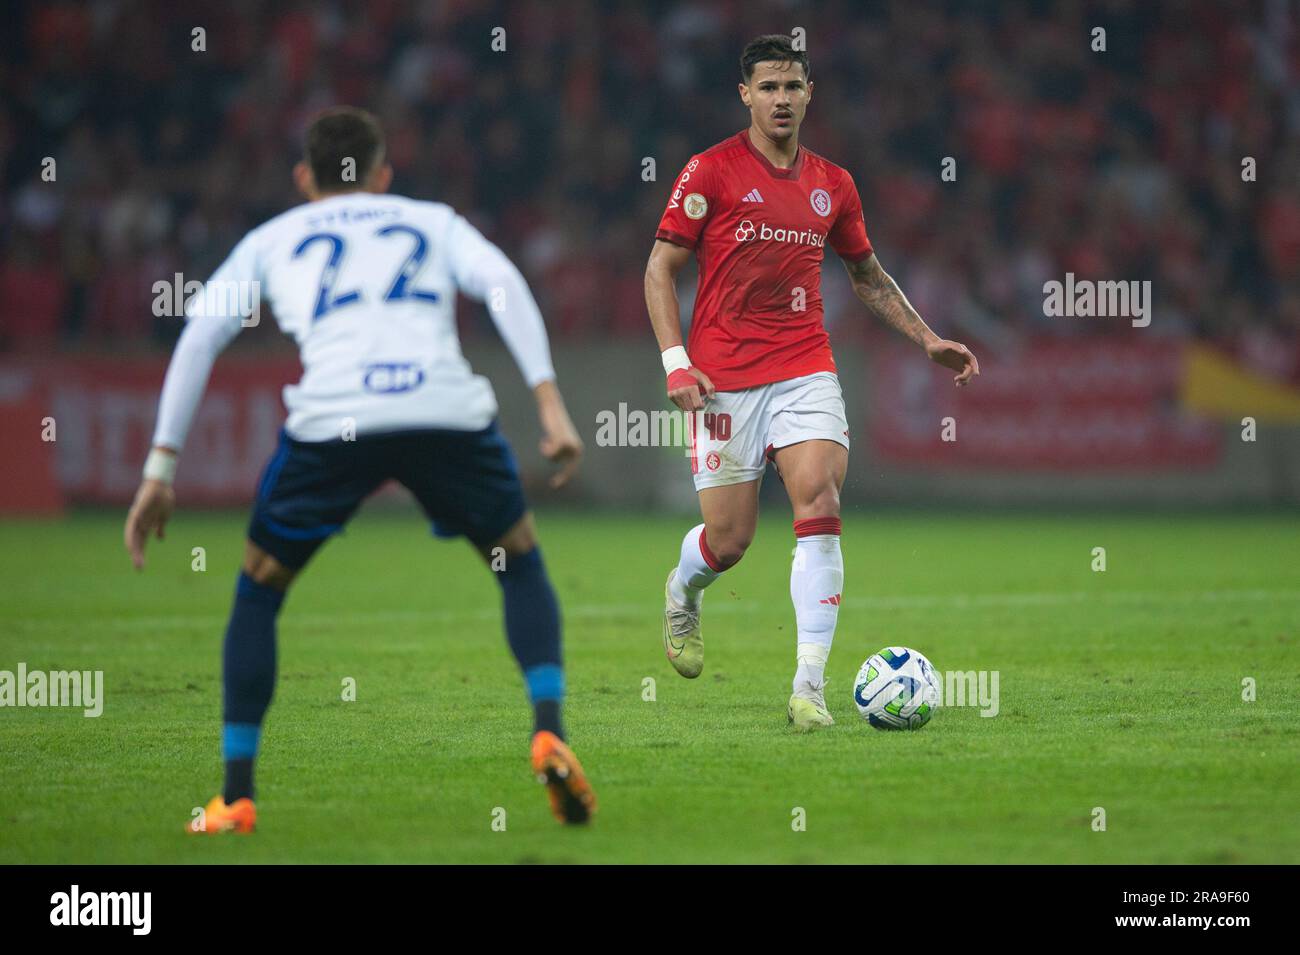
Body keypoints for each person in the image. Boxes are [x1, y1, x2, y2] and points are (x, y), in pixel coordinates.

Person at [124, 107, 596, 829]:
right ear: (382, 174)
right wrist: (550, 403)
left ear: (303, 177)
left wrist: (161, 466)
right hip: (443, 410)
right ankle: (548, 730)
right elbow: (502, 281)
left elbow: (200, 335)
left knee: (259, 589)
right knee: (519, 561)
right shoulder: (432, 220)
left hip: (334, 418)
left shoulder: (272, 238)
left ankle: (238, 795)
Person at [646, 35, 980, 728]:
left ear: (809, 95)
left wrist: (928, 338)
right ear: (745, 94)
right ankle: (684, 586)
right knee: (729, 541)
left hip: (804, 366)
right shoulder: (709, 171)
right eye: (767, 87)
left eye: (792, 87)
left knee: (819, 497)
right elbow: (659, 269)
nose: (780, 99)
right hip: (722, 379)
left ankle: (809, 687)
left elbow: (867, 275)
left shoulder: (835, 184)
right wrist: (677, 362)